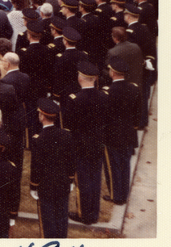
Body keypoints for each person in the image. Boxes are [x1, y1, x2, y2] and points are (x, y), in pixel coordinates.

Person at [66, 61, 109, 225]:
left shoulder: (75, 99)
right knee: (96, 178)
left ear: (80, 78)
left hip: (80, 145)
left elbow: (69, 126)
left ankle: (85, 214)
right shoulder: (103, 97)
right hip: (98, 143)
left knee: (83, 180)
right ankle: (94, 212)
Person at [30, 98, 74, 238]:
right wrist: (71, 179)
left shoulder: (38, 139)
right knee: (62, 216)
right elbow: (71, 160)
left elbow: (36, 166)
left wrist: (33, 186)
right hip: (63, 182)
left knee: (47, 218)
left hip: (46, 185)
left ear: (42, 116)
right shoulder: (66, 134)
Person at [102, 57, 141, 206]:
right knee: (125, 164)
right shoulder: (134, 88)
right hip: (129, 132)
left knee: (113, 166)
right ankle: (123, 194)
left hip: (112, 134)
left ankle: (116, 195)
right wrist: (134, 128)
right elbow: (138, 113)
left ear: (113, 73)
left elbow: (105, 115)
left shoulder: (108, 92)